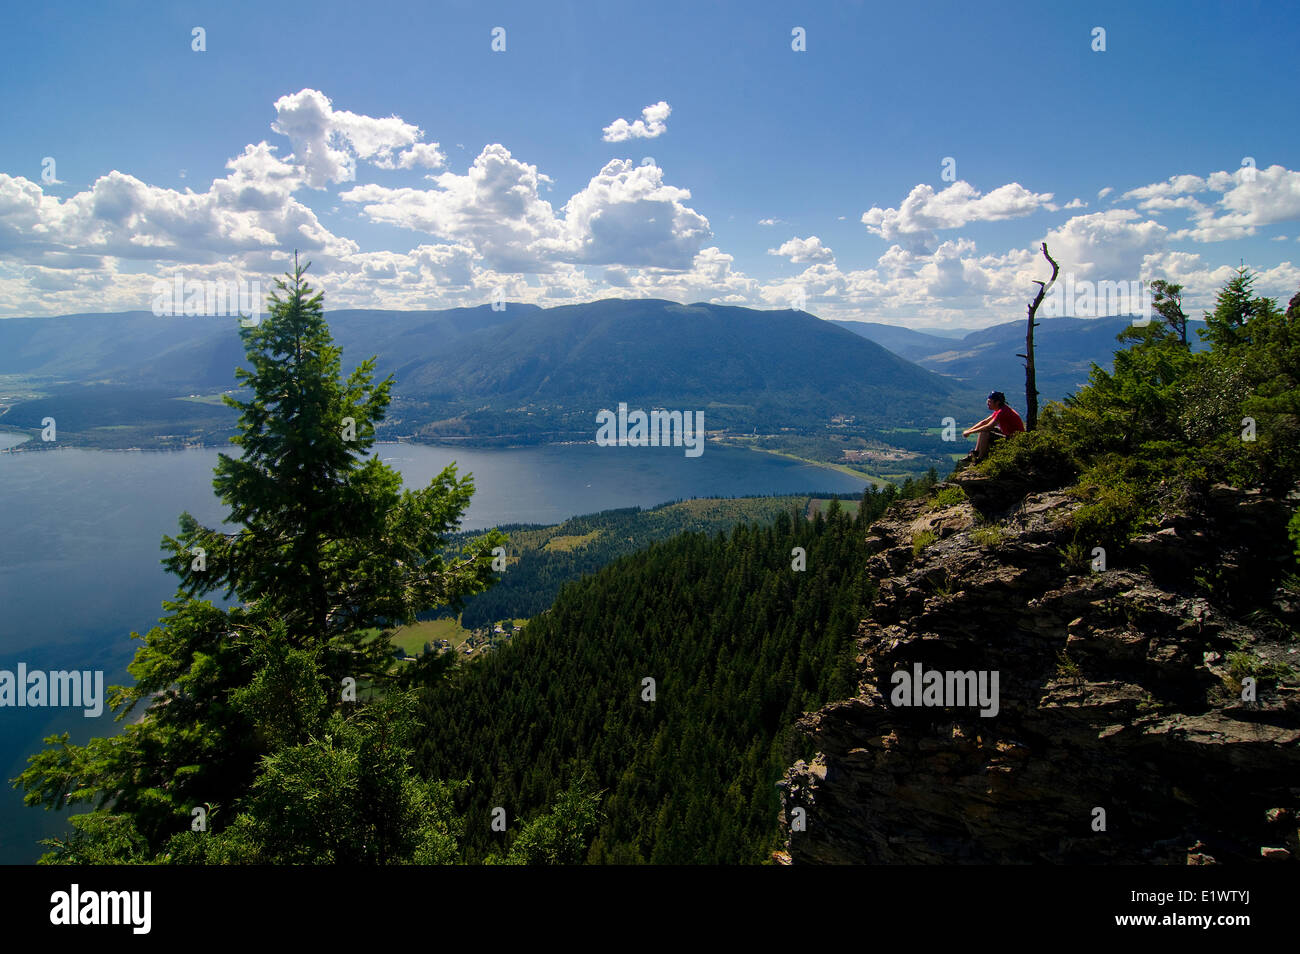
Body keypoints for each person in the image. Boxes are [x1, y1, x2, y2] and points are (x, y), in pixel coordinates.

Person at [962, 391, 1025, 463]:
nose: (987, 403)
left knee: (985, 431)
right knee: (984, 429)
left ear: (997, 402)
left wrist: (970, 432)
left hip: (1013, 440)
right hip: (1009, 436)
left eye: (989, 402)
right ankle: (975, 453)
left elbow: (988, 426)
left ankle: (980, 458)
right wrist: (969, 430)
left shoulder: (1002, 412)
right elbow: (984, 422)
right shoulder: (1000, 410)